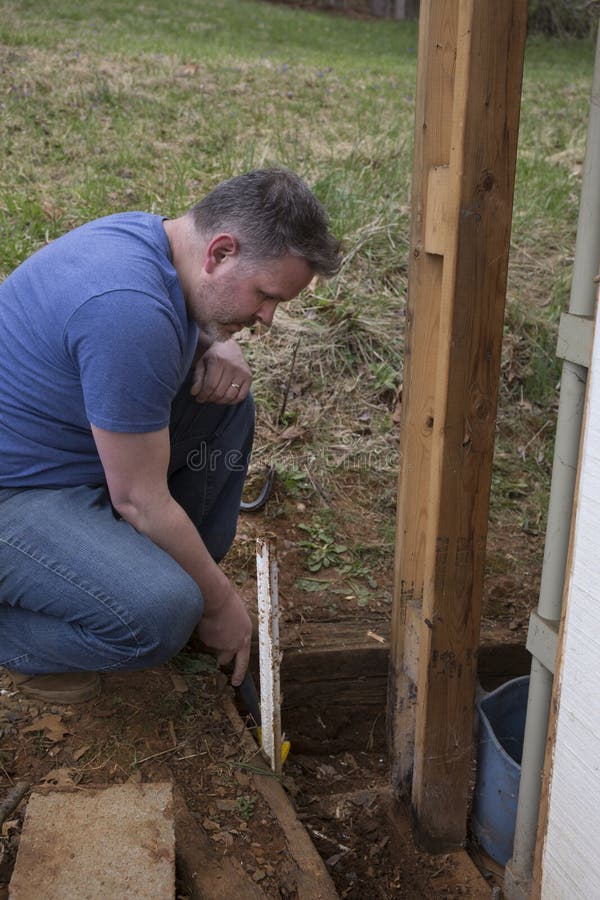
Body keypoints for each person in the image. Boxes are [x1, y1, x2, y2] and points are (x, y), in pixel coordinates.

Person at [0, 168, 341, 704]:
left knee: (226, 404)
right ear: (221, 252)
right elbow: (139, 499)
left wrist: (212, 338)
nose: (269, 318)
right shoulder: (127, 308)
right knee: (159, 615)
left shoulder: (156, 244)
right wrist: (219, 601)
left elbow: (159, 330)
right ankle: (25, 638)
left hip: (62, 455)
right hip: (16, 495)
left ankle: (160, 577)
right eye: (265, 295)